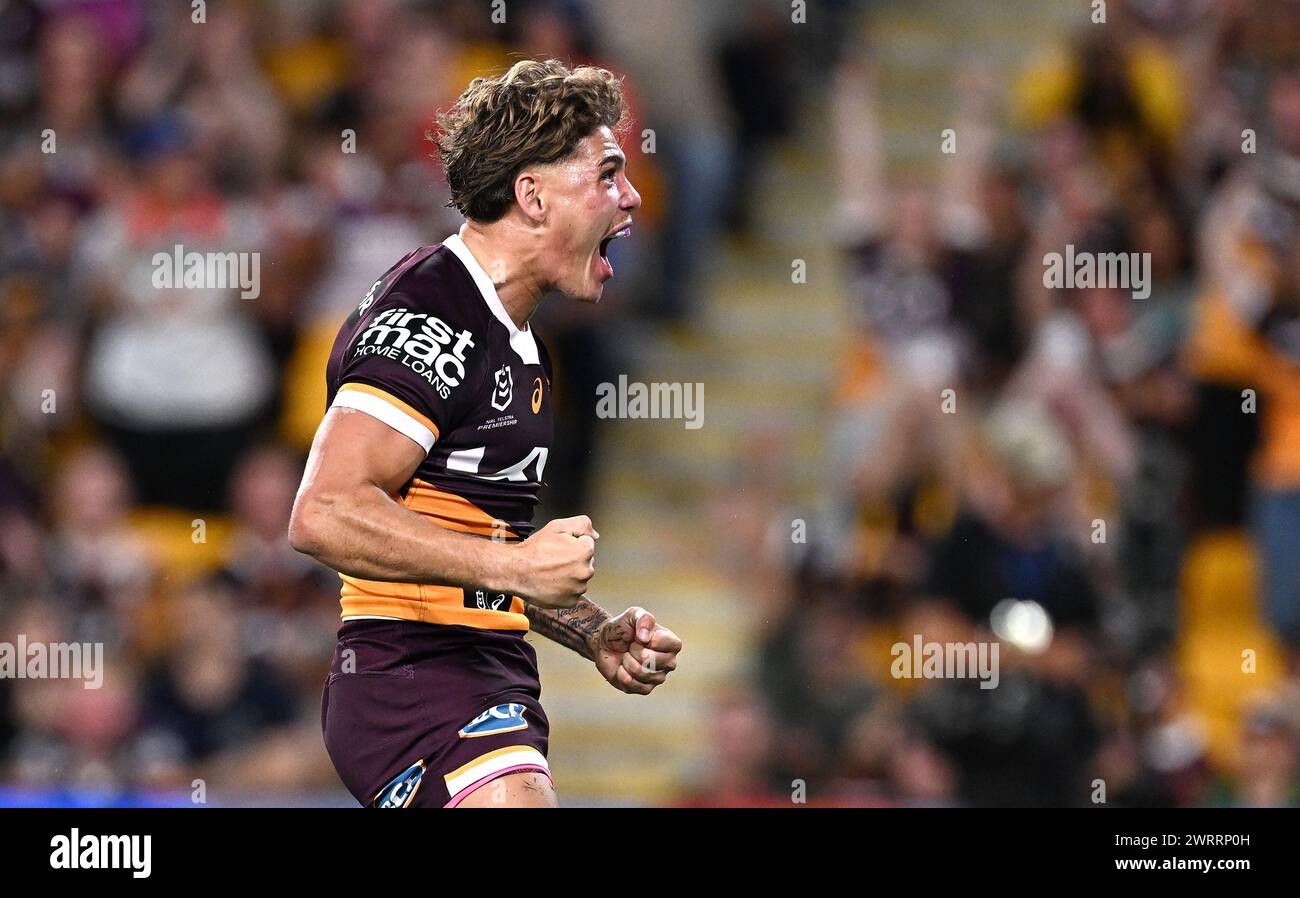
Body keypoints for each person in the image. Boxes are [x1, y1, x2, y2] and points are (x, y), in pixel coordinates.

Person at [289, 59, 683, 808]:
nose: (630, 197)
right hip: (410, 675)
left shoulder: (524, 337)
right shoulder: (433, 316)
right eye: (607, 173)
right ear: (532, 196)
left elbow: (473, 542)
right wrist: (518, 572)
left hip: (484, 669)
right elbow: (323, 511)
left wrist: (591, 630)